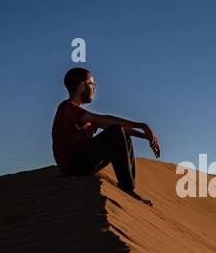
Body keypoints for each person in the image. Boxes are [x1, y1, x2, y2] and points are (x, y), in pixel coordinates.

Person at [52, 67, 160, 204]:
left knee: (121, 134)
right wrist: (142, 126)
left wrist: (148, 137)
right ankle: (127, 188)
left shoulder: (81, 114)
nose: (95, 88)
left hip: (83, 164)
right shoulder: (67, 108)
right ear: (81, 86)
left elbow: (120, 130)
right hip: (72, 166)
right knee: (115, 131)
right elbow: (106, 121)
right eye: (92, 84)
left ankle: (130, 186)